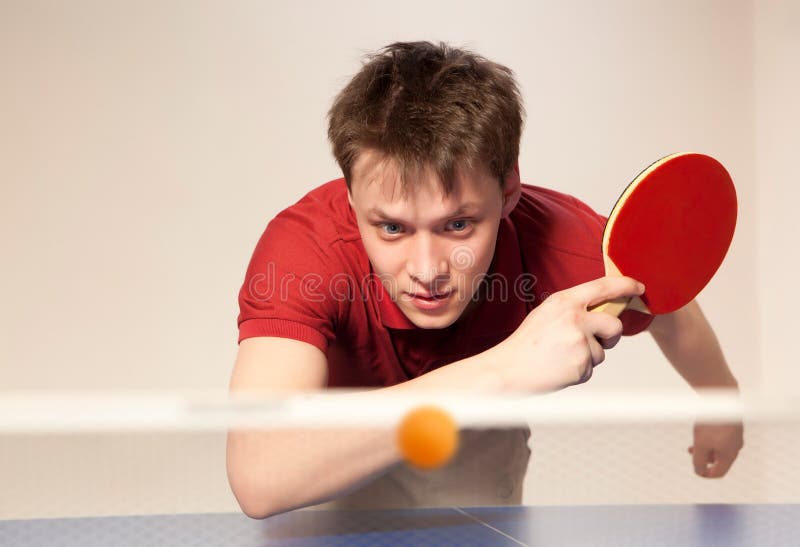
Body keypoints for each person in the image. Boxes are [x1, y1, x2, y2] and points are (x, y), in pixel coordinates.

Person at [226, 41, 743, 519]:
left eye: (458, 225)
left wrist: (721, 399)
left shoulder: (566, 242)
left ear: (509, 190)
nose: (427, 271)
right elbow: (261, 477)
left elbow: (666, 305)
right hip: (327, 463)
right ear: (351, 196)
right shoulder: (303, 250)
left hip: (472, 464)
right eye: (391, 228)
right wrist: (507, 369)